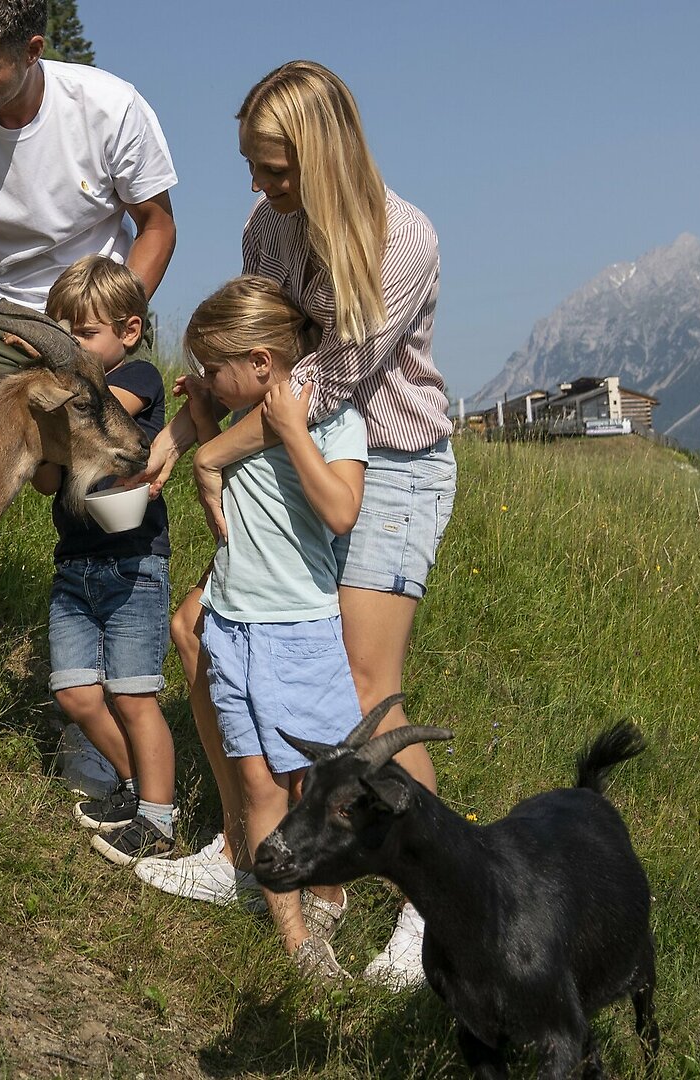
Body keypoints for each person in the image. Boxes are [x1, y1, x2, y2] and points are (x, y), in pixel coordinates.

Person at [131, 60, 455, 992]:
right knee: (200, 628)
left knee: (361, 686)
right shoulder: (268, 224)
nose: (263, 189)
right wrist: (185, 424)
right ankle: (256, 851)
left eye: (277, 169)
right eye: (255, 167)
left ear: (325, 152)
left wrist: (208, 451)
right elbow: (251, 354)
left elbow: (319, 390)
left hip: (385, 468)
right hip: (275, 454)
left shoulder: (402, 241)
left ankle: (428, 907)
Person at [0, 0, 178, 734]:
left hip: (90, 312)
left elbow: (156, 224)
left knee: (103, 508)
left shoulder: (108, 107)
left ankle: (103, 718)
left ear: (33, 50)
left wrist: (111, 327)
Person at [176, 275, 368, 979]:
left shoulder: (333, 422)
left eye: (214, 369)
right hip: (231, 627)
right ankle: (296, 943)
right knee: (258, 787)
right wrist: (203, 420)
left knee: (311, 789)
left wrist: (291, 431)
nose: (208, 379)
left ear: (261, 363)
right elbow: (238, 511)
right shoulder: (234, 428)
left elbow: (340, 512)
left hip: (300, 633)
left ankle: (329, 896)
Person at [29, 256, 177, 865]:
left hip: (134, 564)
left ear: (129, 331)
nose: (71, 347)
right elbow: (43, 479)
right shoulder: (72, 393)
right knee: (75, 694)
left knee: (135, 695)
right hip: (76, 563)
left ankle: (160, 819)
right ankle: (139, 789)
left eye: (84, 335)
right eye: (60, 334)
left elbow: (94, 418)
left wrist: (30, 408)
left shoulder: (137, 378)